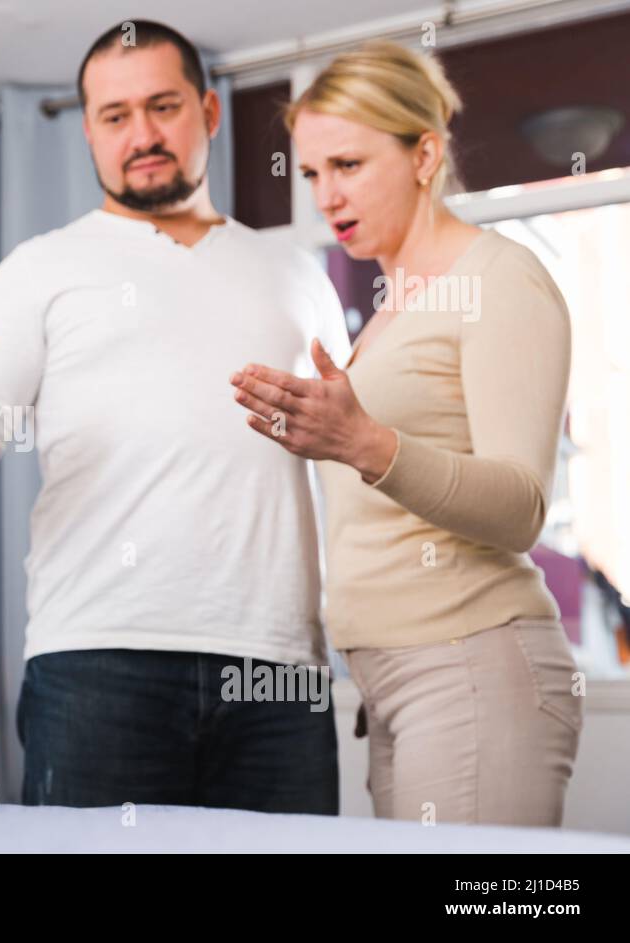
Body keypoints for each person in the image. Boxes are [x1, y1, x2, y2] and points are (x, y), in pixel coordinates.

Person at [0, 20, 350, 812]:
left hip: (280, 664)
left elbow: (348, 468)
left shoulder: (299, 274)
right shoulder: (39, 269)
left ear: (210, 112)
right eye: (115, 116)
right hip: (97, 661)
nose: (141, 134)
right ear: (88, 132)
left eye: (163, 106)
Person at [230, 40, 582, 825]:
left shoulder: (497, 278)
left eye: (348, 164)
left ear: (424, 154)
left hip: (470, 667)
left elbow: (522, 504)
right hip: (392, 687)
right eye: (313, 171)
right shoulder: (389, 311)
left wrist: (365, 442)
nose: (325, 193)